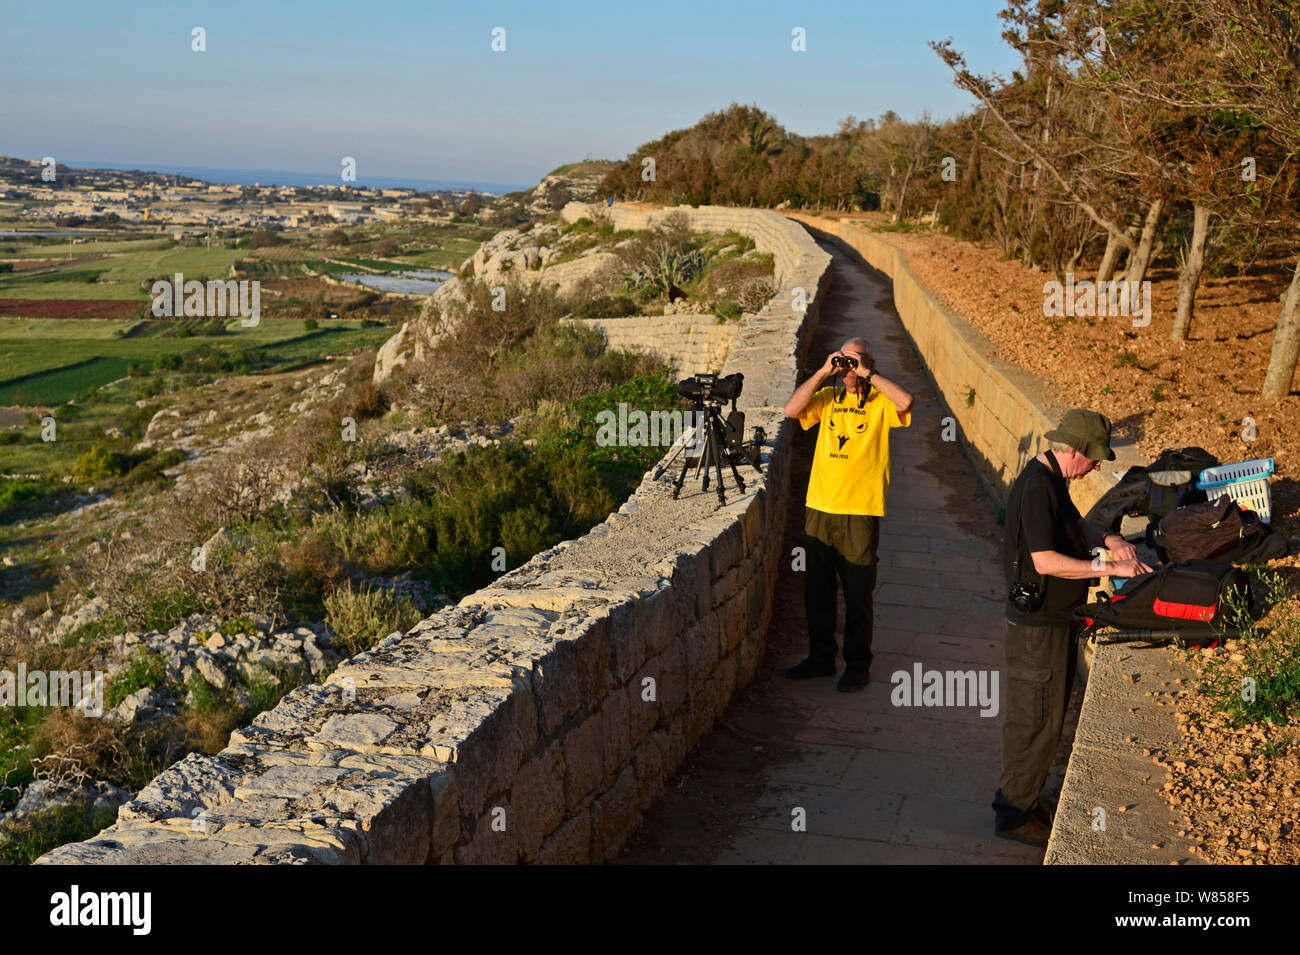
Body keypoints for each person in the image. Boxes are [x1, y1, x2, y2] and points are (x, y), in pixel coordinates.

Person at [993, 409, 1153, 846]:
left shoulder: (1051, 478)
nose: (1098, 468)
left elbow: (1073, 524)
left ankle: (1023, 799)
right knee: (1036, 722)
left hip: (1052, 623)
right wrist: (1103, 565)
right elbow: (1045, 561)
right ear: (1074, 451)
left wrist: (1110, 539)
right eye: (1095, 459)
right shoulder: (1036, 489)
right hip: (1037, 629)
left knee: (1045, 718)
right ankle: (1012, 814)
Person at [782, 338, 913, 692]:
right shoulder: (827, 398)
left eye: (855, 361)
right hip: (820, 509)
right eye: (845, 360)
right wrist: (825, 371)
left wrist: (869, 372)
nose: (849, 369)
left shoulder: (880, 403)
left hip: (861, 511)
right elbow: (791, 411)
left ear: (869, 362)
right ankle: (821, 658)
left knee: (858, 593)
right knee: (817, 591)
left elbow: (907, 402)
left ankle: (857, 665)